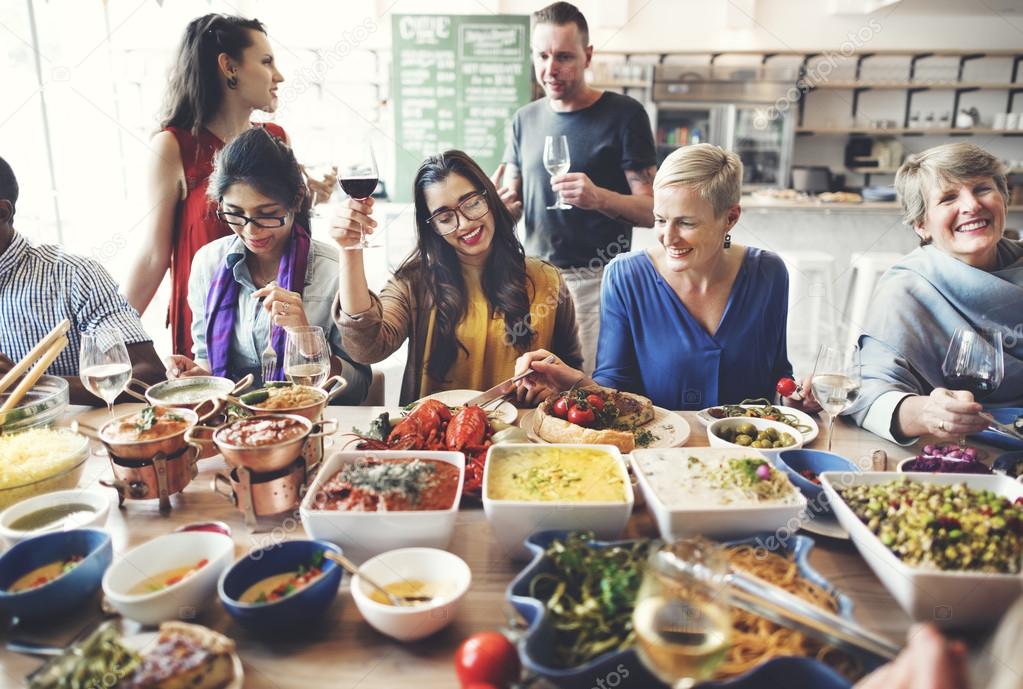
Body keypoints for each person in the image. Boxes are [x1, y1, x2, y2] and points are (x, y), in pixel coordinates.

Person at [513, 144, 793, 410]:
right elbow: (613, 387)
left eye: (686, 222)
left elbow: (777, 378)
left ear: (730, 218)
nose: (668, 238)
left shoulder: (768, 274)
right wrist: (574, 383)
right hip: (656, 454)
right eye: (660, 220)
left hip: (748, 457)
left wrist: (795, 399)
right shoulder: (626, 276)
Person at [123, 13, 332, 358]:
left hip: (272, 322)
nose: (278, 76)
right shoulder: (174, 146)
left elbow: (287, 231)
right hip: (210, 326)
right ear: (229, 67)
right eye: (266, 61)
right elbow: (152, 255)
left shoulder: (276, 138)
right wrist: (112, 330)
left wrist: (311, 199)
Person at [331, 150, 583, 406]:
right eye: (445, 217)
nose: (464, 224)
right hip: (434, 440)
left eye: (472, 203)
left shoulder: (546, 279)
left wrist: (555, 390)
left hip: (522, 438)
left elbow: (571, 373)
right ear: (433, 226)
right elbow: (367, 348)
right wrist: (349, 249)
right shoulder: (413, 282)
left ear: (490, 197)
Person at [498, 1, 657, 373]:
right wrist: (501, 212)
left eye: (564, 57)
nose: (550, 69)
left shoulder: (625, 115)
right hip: (532, 279)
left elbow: (653, 211)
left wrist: (599, 198)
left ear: (588, 55)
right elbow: (515, 203)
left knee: (582, 390)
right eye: (542, 55)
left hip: (595, 282)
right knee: (528, 386)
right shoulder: (524, 119)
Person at [163, 128, 370, 403]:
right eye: (235, 214)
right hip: (232, 427)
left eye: (267, 215)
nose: (251, 231)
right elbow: (209, 366)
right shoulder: (208, 264)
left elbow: (359, 386)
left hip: (306, 423)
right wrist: (195, 376)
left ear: (296, 200)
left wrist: (307, 341)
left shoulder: (333, 271)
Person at [846, 143, 1023, 444]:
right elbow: (867, 395)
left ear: (1004, 200)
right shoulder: (906, 289)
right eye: (948, 197)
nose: (971, 206)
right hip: (954, 454)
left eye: (982, 189)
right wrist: (928, 412)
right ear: (921, 224)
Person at [0, 156, 164, 406]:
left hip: (73, 440)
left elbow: (149, 376)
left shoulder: (74, 276)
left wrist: (27, 383)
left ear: (3, 212)